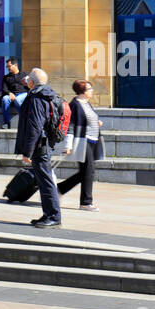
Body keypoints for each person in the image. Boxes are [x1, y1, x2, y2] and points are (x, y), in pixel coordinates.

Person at [14, 67, 63, 228]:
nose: (26, 80)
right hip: (45, 143)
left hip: (40, 146)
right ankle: (48, 214)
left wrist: (27, 152)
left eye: (28, 79)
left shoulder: (36, 98)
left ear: (32, 82)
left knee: (46, 181)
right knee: (44, 181)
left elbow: (34, 127)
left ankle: (54, 216)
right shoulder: (47, 94)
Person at [57, 79, 104, 211]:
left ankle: (60, 188)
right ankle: (86, 202)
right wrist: (68, 145)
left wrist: (97, 122)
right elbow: (70, 125)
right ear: (82, 91)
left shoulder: (87, 104)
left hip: (93, 140)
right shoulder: (75, 105)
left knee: (85, 172)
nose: (91, 91)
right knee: (89, 171)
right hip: (83, 141)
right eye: (89, 89)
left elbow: (88, 119)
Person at [1, 57, 27, 128]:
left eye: (9, 66)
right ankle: (6, 123)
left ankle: (25, 119)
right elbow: (4, 89)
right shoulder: (6, 77)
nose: (8, 68)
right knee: (5, 99)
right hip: (11, 94)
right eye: (7, 67)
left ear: (15, 65)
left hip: (23, 94)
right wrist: (9, 93)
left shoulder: (24, 74)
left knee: (17, 100)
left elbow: (30, 86)